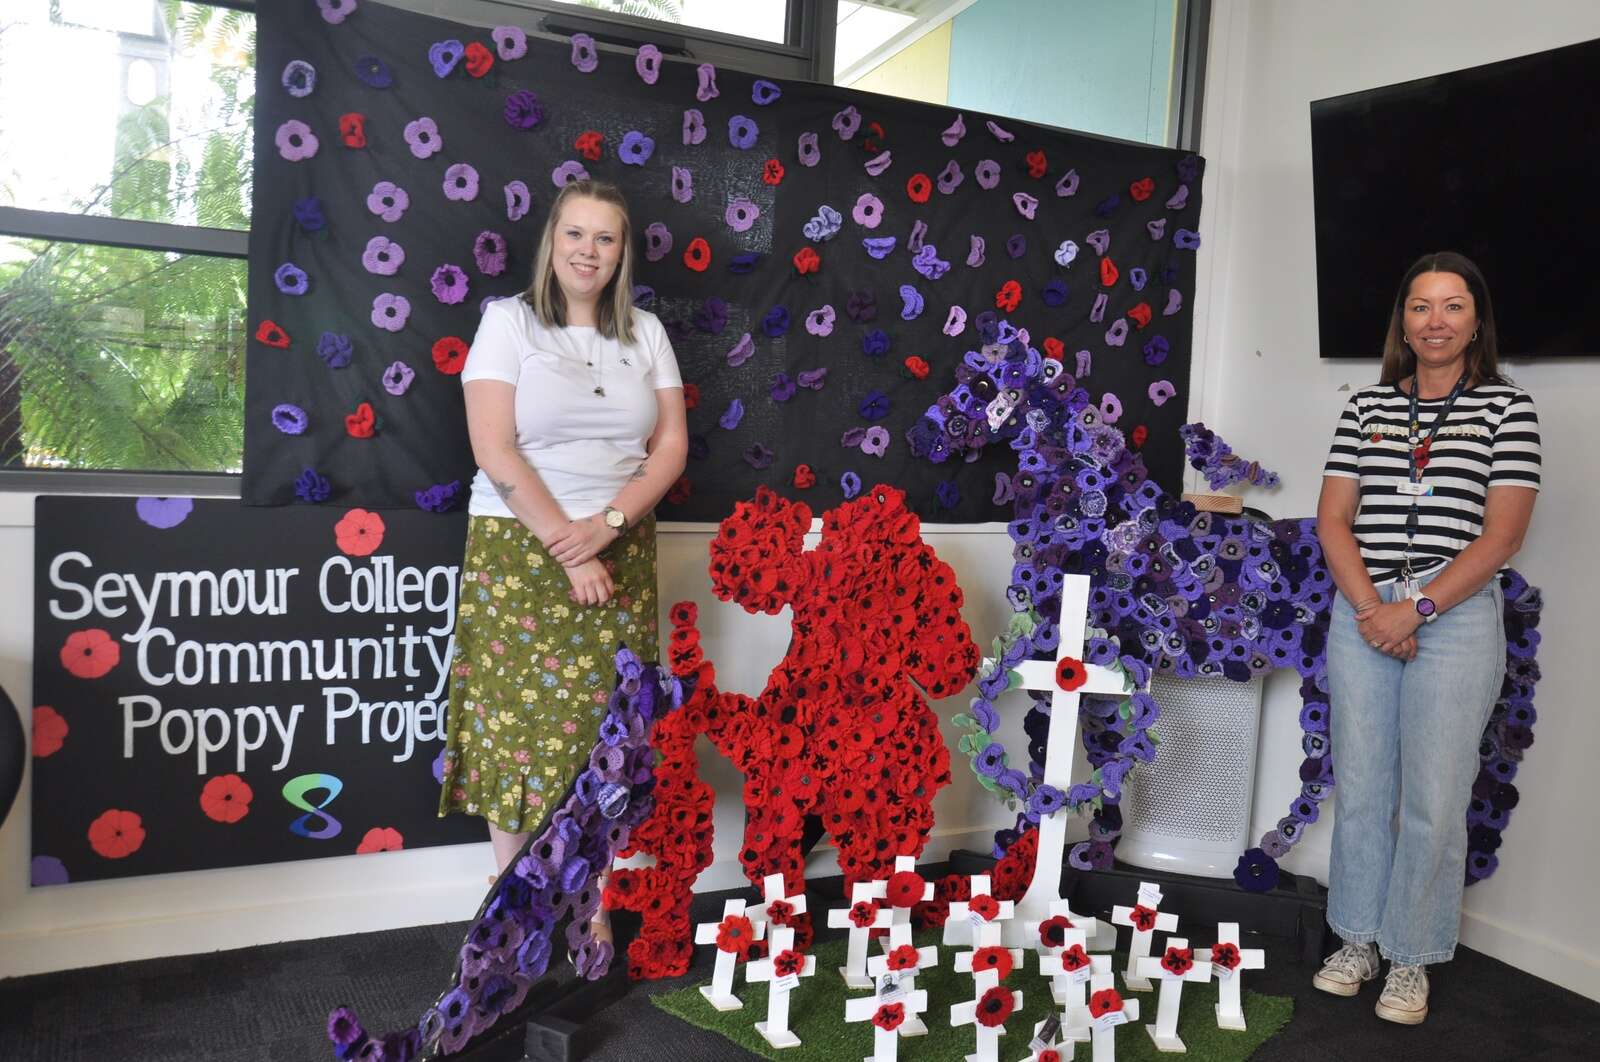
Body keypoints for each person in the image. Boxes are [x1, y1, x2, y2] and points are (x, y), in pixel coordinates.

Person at [438, 180, 687, 945]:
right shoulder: (508, 324)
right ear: (551, 242)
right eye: (575, 234)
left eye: (605, 238)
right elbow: (493, 446)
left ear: (622, 253)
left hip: (621, 546)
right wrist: (567, 545)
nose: (588, 250)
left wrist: (608, 525)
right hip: (522, 547)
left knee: (605, 732)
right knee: (512, 727)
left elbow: (670, 444)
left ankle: (590, 902)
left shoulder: (645, 331)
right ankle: (510, 909)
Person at [1313, 251, 1540, 1023]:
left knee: (1436, 802)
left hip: (1456, 618)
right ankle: (1357, 940)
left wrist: (1418, 610)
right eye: (1420, 307)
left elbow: (1501, 537)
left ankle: (1411, 957)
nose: (1434, 321)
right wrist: (1376, 608)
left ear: (1476, 320)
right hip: (1362, 611)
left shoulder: (1509, 411)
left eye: (1451, 306)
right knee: (1366, 791)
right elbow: (1332, 520)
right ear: (1402, 323)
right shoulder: (1367, 408)